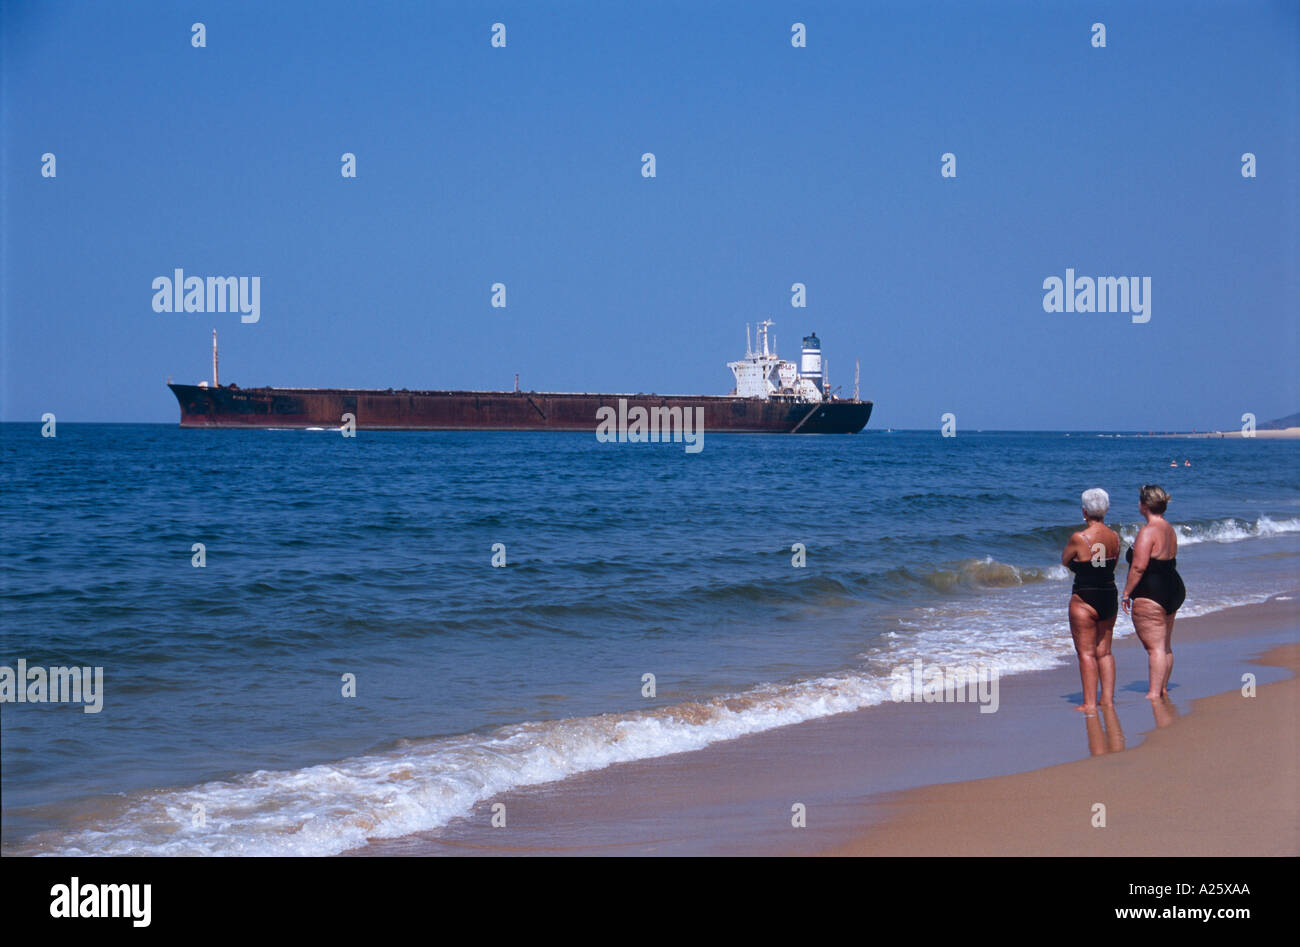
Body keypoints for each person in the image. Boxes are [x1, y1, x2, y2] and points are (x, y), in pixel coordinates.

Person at [1122, 485, 1187, 700]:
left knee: (1155, 649)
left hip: (1152, 592)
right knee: (1165, 646)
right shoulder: (1169, 528)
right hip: (1173, 588)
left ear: (1144, 505)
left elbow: (1138, 567)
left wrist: (1126, 594)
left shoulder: (1147, 532)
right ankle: (1163, 688)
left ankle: (1153, 694)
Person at [1062, 488, 1120, 714]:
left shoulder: (1079, 537)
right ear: (1105, 510)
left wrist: (1080, 565)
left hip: (1084, 596)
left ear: (1084, 512)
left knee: (1086, 653)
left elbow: (1065, 560)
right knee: (1104, 651)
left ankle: (1089, 703)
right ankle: (1107, 699)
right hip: (1108, 593)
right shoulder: (1115, 536)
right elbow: (1111, 564)